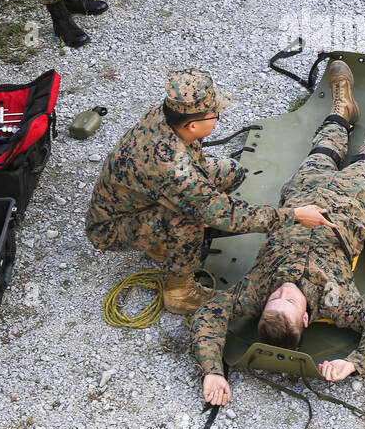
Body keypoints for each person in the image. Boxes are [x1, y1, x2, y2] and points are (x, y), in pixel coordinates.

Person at [191, 63, 365, 404]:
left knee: (322, 152)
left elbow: (208, 317)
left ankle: (342, 110)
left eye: (275, 299)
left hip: (303, 200)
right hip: (352, 204)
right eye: (288, 301)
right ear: (304, 317)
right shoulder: (336, 301)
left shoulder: (254, 292)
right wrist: (354, 364)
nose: (282, 292)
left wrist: (212, 370)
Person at [86, 69, 330, 314]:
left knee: (231, 171)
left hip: (147, 197)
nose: (217, 119)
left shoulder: (168, 116)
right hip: (112, 227)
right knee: (189, 218)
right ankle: (180, 293)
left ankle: (161, 243)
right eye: (215, 116)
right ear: (192, 125)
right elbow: (226, 215)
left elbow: (195, 171)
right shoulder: (174, 169)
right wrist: (294, 215)